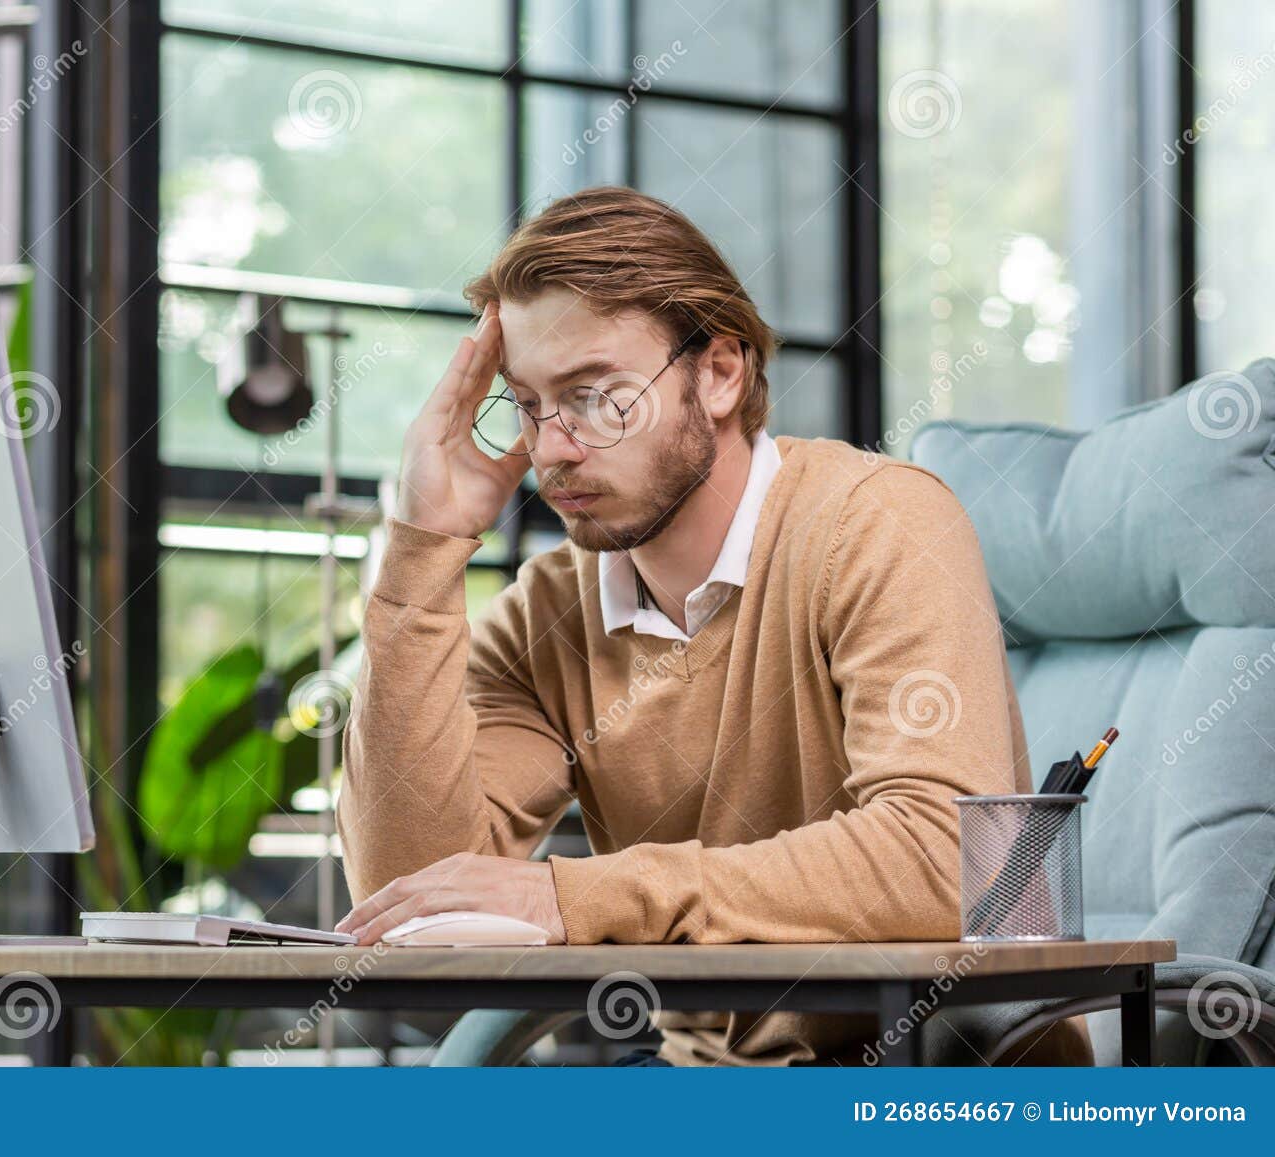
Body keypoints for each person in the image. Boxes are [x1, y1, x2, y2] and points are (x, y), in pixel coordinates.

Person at [334, 186, 1091, 1066]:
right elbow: (408, 898)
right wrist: (422, 547)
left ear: (721, 373)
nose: (552, 449)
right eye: (528, 404)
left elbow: (945, 859)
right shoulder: (545, 617)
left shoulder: (878, 523)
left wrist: (580, 897)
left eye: (596, 396)